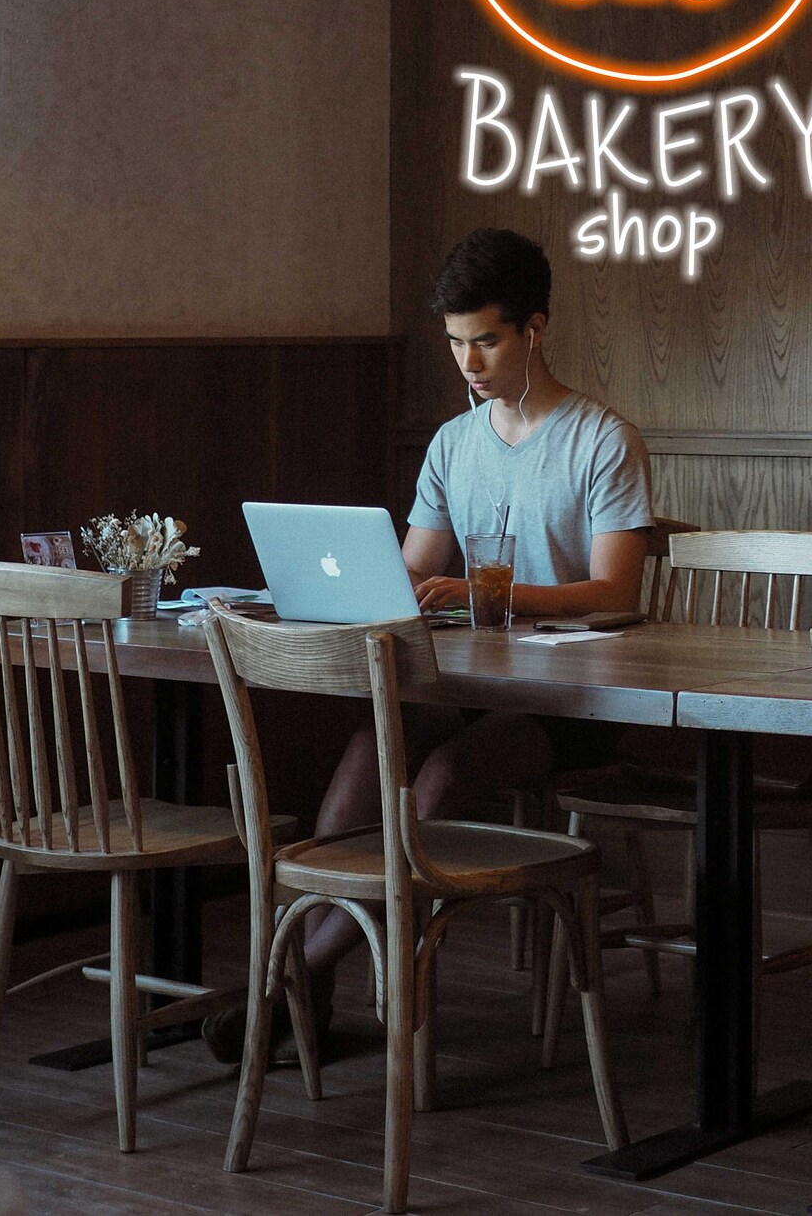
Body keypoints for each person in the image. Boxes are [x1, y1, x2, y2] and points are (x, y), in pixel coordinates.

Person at [209, 226, 653, 1058]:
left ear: (535, 327)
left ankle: (295, 974)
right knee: (372, 746)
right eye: (456, 344)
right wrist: (370, 591)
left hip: (576, 698)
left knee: (443, 773)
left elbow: (617, 591)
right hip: (471, 688)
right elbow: (408, 573)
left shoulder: (602, 438)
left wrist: (492, 593)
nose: (470, 363)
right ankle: (306, 981)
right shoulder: (454, 444)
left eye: (486, 339)